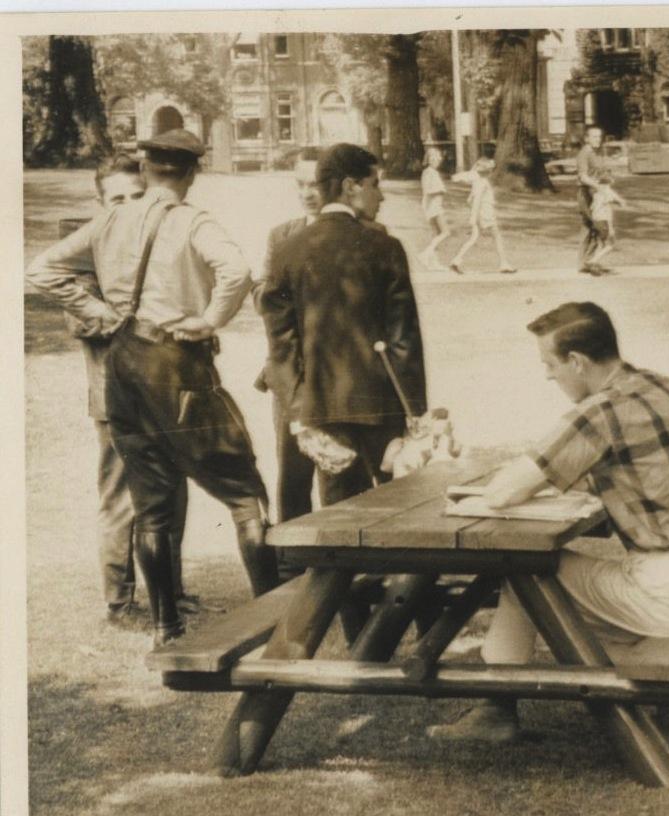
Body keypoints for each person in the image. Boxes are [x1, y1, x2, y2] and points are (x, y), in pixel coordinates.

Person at [435, 302, 669, 742]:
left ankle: (496, 710)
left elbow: (505, 491)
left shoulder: (601, 413)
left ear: (577, 362)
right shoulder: (668, 388)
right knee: (556, 597)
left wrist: (509, 485)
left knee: (522, 574)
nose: (548, 375)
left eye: (550, 364)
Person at [26, 129, 279, 646]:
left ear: (146, 170)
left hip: (122, 368)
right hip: (177, 365)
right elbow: (235, 269)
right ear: (191, 173)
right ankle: (276, 620)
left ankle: (167, 627)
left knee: (152, 504)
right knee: (245, 495)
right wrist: (210, 319)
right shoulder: (191, 220)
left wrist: (100, 311)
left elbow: (41, 268)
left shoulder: (111, 219)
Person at [260, 142, 427, 505]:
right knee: (399, 506)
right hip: (380, 404)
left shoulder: (288, 249)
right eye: (374, 184)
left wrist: (299, 407)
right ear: (351, 186)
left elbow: (281, 340)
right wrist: (416, 413)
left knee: (340, 516)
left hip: (321, 407)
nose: (380, 196)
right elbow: (404, 340)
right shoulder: (385, 247)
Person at [64, 156, 191, 625]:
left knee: (172, 493)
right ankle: (119, 601)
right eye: (117, 199)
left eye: (137, 197)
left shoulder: (157, 244)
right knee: (121, 499)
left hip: (163, 391)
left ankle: (170, 593)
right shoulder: (86, 250)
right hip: (116, 397)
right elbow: (79, 317)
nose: (129, 207)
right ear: (100, 204)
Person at [252, 157, 323, 576]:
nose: (306, 192)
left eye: (313, 183)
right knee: (292, 471)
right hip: (288, 373)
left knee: (340, 477)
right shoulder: (281, 235)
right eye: (299, 184)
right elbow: (264, 297)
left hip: (335, 373)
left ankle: (342, 562)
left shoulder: (358, 235)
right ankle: (293, 565)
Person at [448, 157, 515, 275]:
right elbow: (477, 200)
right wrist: (473, 216)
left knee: (474, 237)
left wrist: (474, 212)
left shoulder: (478, 182)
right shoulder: (482, 183)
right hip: (485, 213)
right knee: (496, 236)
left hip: (482, 212)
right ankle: (504, 264)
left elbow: (470, 199)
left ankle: (456, 261)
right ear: (488, 171)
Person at [575, 126, 608, 275]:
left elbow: (600, 173)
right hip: (586, 194)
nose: (598, 140)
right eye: (594, 137)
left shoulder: (598, 153)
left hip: (596, 194)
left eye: (599, 137)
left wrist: (606, 180)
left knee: (590, 228)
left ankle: (586, 262)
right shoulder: (584, 154)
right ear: (587, 138)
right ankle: (588, 262)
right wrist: (597, 186)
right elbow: (583, 177)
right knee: (595, 226)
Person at [417, 146, 453, 272]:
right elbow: (428, 191)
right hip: (434, 206)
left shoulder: (431, 172)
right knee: (445, 232)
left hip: (434, 205)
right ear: (430, 159)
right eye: (435, 158)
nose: (438, 160)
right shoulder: (429, 172)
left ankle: (434, 263)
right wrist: (441, 190)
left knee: (436, 235)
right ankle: (425, 254)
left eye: (438, 158)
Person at [585, 172, 627, 272]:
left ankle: (595, 265)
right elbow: (608, 211)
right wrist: (611, 227)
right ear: (609, 182)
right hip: (603, 220)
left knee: (602, 244)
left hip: (596, 220)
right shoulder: (607, 193)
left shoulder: (597, 193)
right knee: (610, 245)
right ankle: (592, 261)